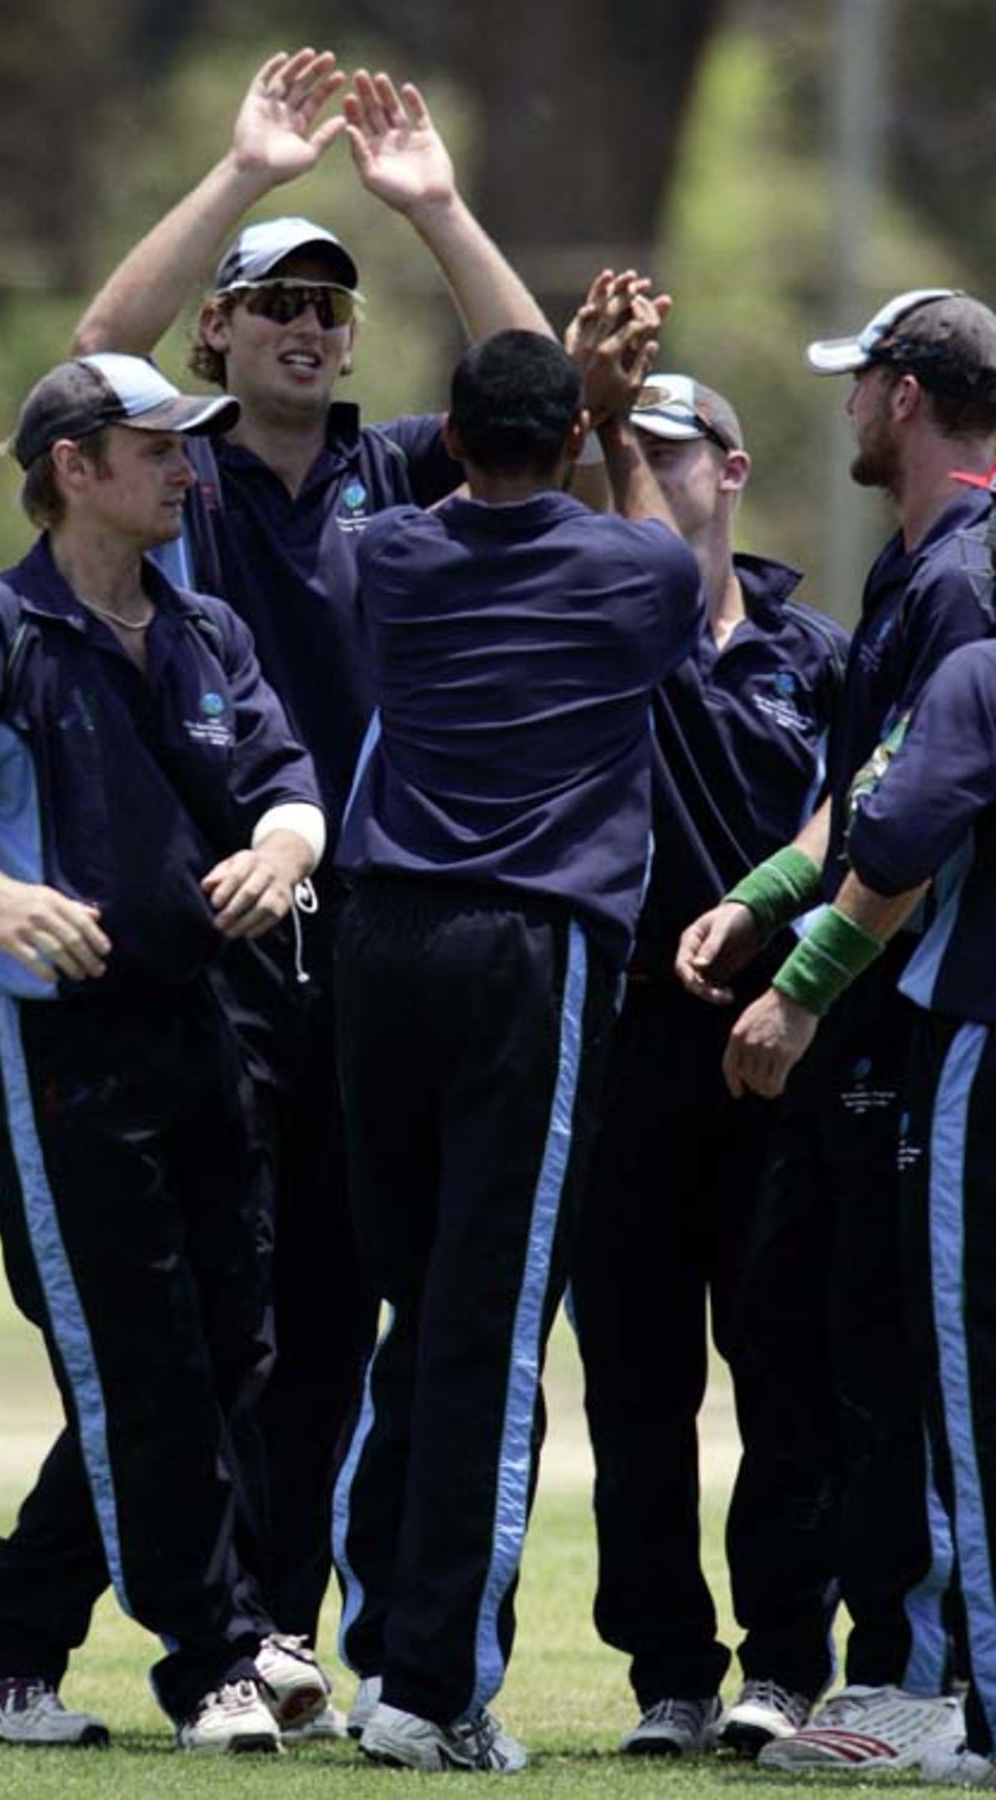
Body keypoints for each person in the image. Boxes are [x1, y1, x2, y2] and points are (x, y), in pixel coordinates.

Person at [71, 47, 554, 1662]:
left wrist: (432, 204)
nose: (308, 325)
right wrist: (246, 180)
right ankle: (189, 1612)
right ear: (221, 328)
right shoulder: (176, 469)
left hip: (361, 941)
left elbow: (535, 386)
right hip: (209, 933)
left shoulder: (399, 466)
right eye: (276, 299)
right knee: (227, 1301)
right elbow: (91, 357)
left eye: (331, 309)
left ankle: (277, 1622)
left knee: (337, 1301)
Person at [0, 351, 333, 1753]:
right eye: (163, 447)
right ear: (76, 468)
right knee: (138, 1359)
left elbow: (290, 786)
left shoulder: (207, 630)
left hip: (204, 1029)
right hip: (53, 1048)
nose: (191, 469)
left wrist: (281, 853)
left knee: (226, 1346)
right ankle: (219, 1659)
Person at [330, 317, 703, 1773]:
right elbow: (672, 551)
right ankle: (433, 1688)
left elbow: (416, 513)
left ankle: (378, 1651)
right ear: (563, 443)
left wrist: (533, 422)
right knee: (489, 1331)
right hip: (527, 956)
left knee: (420, 1310)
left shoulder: (388, 559)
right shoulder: (635, 569)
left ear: (449, 430)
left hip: (378, 950)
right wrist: (617, 433)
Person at [676, 288, 996, 1773]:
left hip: (933, 1025)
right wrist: (760, 898)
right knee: (865, 1344)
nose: (849, 407)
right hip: (896, 1022)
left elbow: (920, 831)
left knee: (920, 1363)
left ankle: (927, 1685)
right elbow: (867, 797)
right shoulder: (918, 567)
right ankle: (902, 1671)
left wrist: (802, 990)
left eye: (862, 382)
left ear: (911, 398)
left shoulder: (966, 585)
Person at [565, 373, 848, 1758]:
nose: (643, 476)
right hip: (626, 1058)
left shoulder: (827, 655)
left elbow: (873, 819)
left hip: (780, 1058)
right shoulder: (607, 643)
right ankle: (667, 1673)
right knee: (634, 1382)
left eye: (666, 455)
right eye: (622, 455)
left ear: (730, 472)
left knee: (787, 1368)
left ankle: (785, 1664)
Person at [717, 612, 996, 1789]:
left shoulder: (978, 672)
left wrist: (802, 987)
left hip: (981, 1036)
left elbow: (894, 835)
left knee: (969, 1391)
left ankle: (965, 1708)